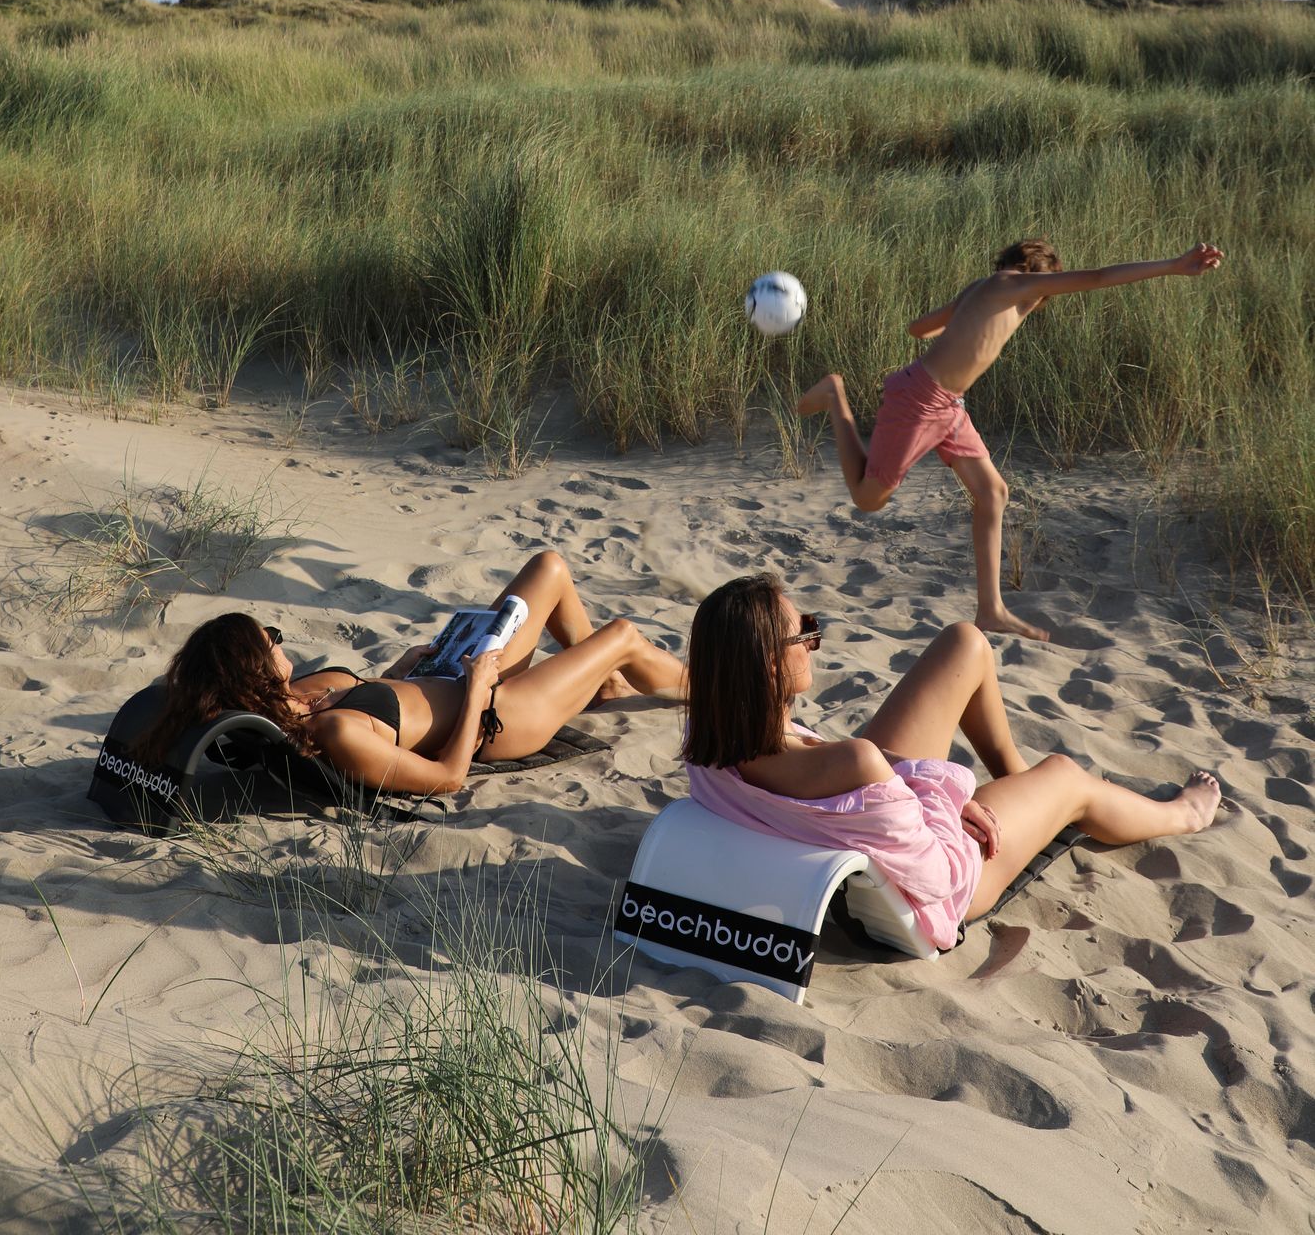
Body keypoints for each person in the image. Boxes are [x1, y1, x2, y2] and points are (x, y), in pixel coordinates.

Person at [683, 573, 1221, 953]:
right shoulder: (855, 762)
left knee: (965, 644)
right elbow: (934, 873)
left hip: (858, 820)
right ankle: (1183, 815)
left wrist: (905, 779)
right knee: (1065, 776)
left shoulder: (716, 737)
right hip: (955, 880)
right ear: (773, 670)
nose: (815, 639)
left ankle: (1017, 780)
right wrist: (950, 800)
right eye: (806, 632)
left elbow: (843, 769)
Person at [797, 239, 1225, 640]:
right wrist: (1173, 266)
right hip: (920, 402)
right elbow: (1097, 278)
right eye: (1044, 292)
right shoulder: (1012, 283)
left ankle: (991, 609)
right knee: (869, 499)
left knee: (993, 493)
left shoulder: (982, 289)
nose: (1040, 302)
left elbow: (917, 328)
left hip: (948, 404)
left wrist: (960, 329)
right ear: (1029, 271)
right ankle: (835, 395)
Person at [139, 551, 685, 796]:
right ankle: (726, 692)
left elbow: (388, 710)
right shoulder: (333, 733)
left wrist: (397, 672)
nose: (281, 643)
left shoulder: (298, 697)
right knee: (621, 635)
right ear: (256, 669)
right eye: (271, 641)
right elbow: (448, 778)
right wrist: (475, 692)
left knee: (549, 568)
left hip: (455, 676)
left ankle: (606, 685)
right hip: (499, 718)